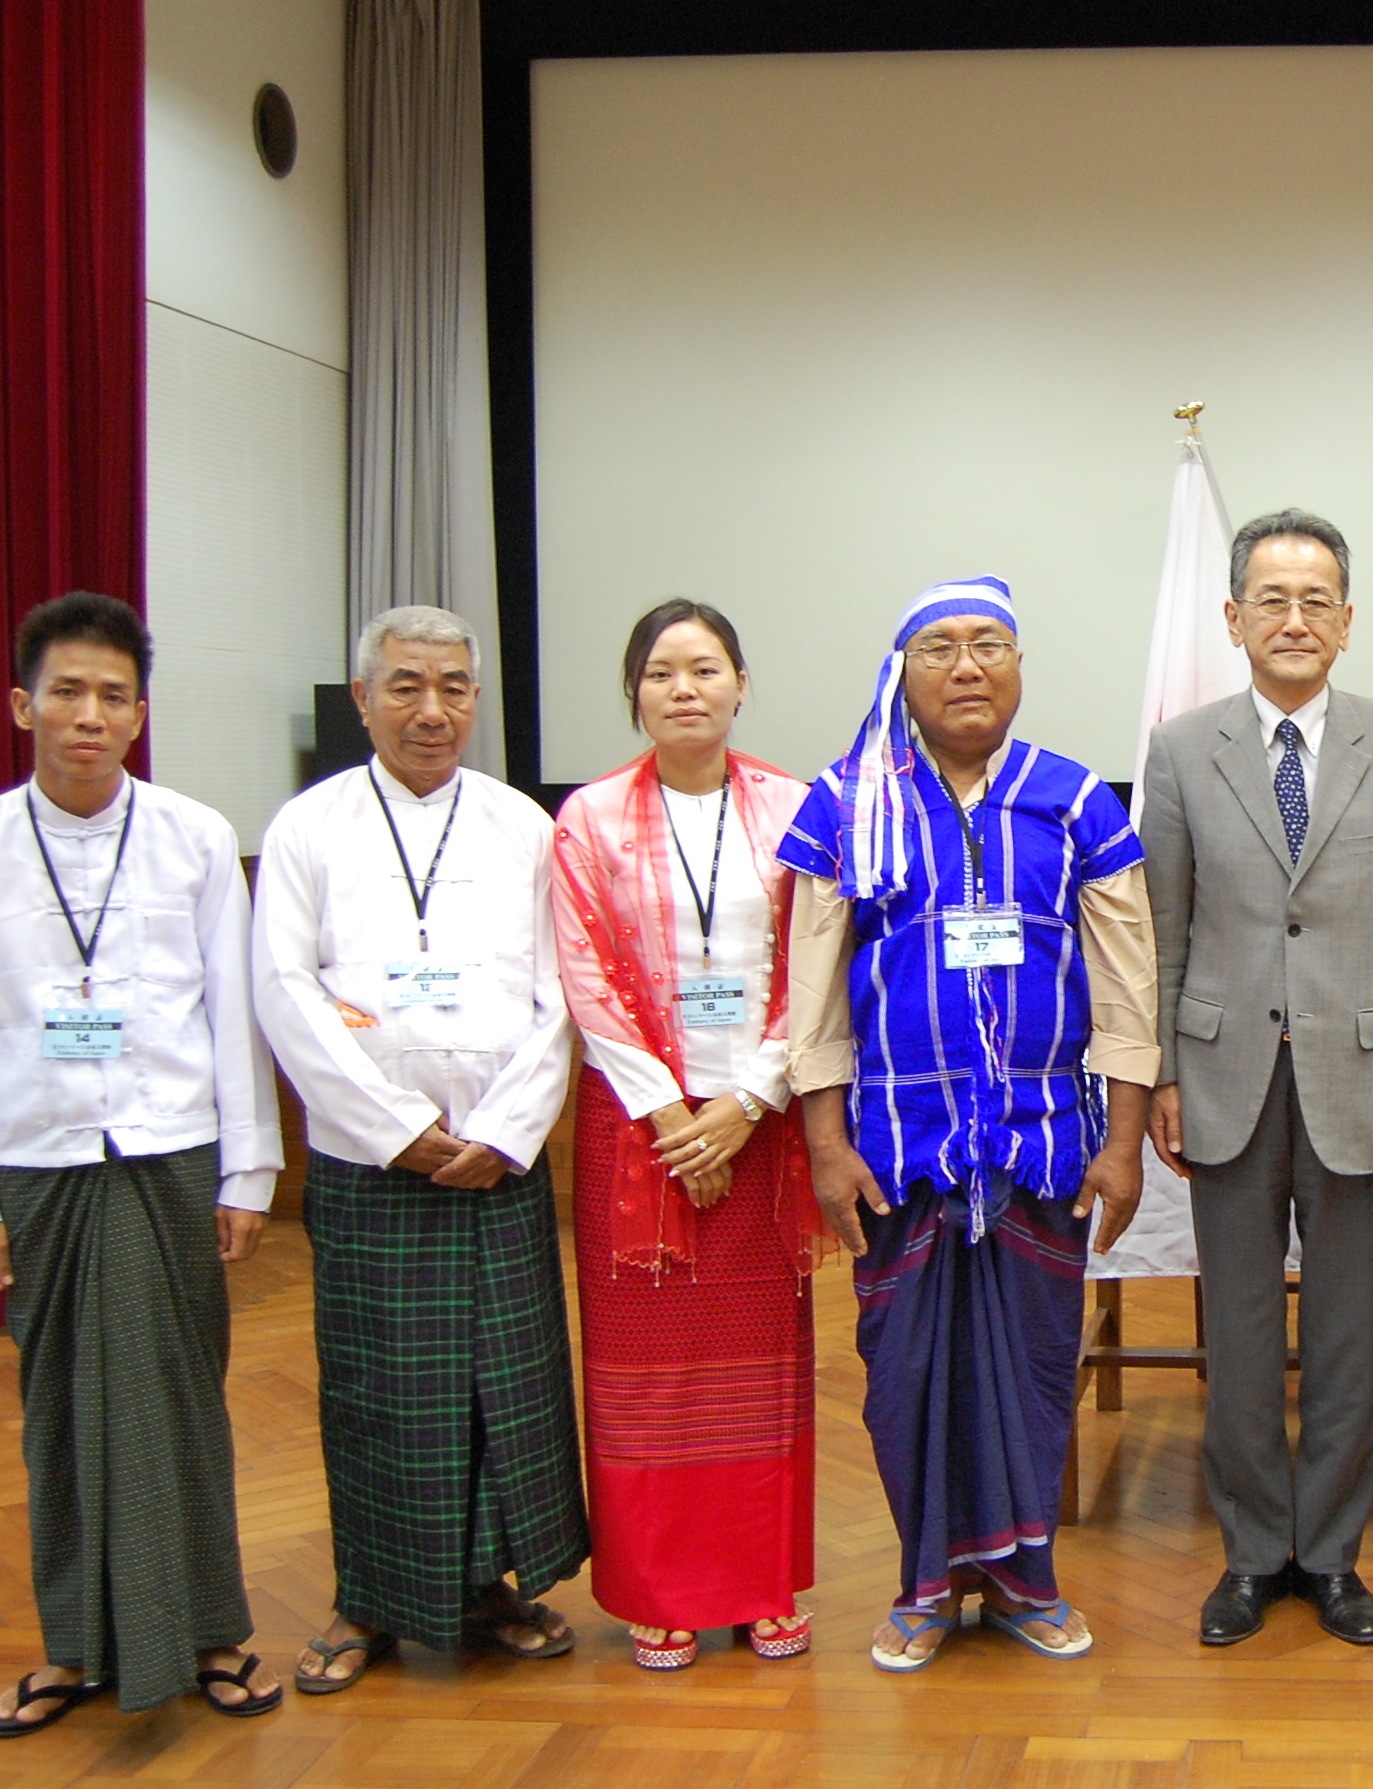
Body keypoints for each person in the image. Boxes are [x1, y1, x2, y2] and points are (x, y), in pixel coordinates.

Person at [779, 575, 1155, 1672]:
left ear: (1020, 666)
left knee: (1036, 1372)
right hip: (898, 1152)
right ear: (903, 671)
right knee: (903, 1378)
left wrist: (1123, 1141)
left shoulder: (1076, 799)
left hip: (1042, 1145)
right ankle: (925, 1585)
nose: (966, 665)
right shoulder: (848, 802)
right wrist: (822, 1141)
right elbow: (812, 993)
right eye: (938, 646)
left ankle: (1026, 1581)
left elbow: (1129, 988)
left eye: (989, 644)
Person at [0, 593, 286, 1731]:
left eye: (114, 695)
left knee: (184, 1397)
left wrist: (248, 1171)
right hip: (39, 1165)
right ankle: (74, 1643)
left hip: (170, 1155)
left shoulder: (188, 835)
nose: (90, 714)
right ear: (22, 703)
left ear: (141, 714)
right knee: (60, 1410)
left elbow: (233, 1013)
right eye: (68, 692)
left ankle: (217, 1630)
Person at [1141, 509, 1373, 1649]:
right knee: (1234, 1337)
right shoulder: (1181, 751)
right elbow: (1161, 926)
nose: (1292, 618)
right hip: (1223, 1075)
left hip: (1362, 1077)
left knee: (1343, 1332)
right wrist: (1166, 1071)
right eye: (1269, 599)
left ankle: (1330, 1555)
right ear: (1231, 618)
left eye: (1313, 599)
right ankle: (1249, 1554)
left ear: (1345, 620)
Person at [254, 605, 587, 1691]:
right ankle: (369, 1598)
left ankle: (495, 1582)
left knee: (506, 1382)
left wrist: (501, 1129)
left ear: (477, 701)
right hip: (371, 1163)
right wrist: (394, 1130)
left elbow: (562, 994)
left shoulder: (524, 827)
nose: (431, 709)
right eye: (405, 685)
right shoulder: (308, 827)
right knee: (375, 1385)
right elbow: (285, 993)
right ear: (363, 699)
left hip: (498, 1158)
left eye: (453, 686)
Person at [551, 601, 820, 1672]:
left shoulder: (795, 809)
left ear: (741, 683)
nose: (684, 688)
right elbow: (583, 971)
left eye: (705, 668)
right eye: (660, 672)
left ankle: (759, 1585)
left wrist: (746, 1101)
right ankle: (657, 1588)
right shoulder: (588, 817)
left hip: (759, 1129)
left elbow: (817, 960)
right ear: (635, 694)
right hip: (639, 1136)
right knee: (644, 1374)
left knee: (760, 1368)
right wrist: (669, 1112)